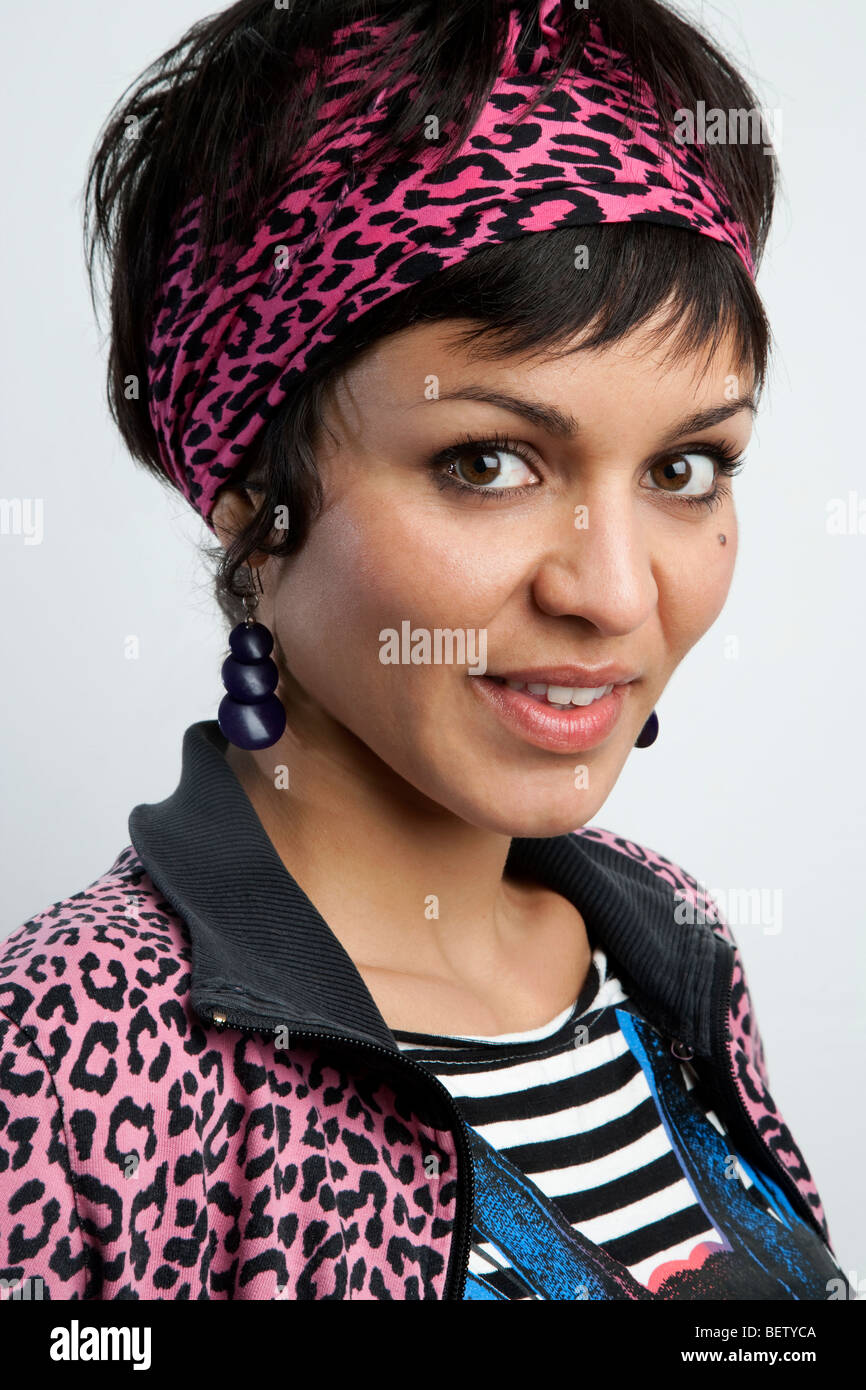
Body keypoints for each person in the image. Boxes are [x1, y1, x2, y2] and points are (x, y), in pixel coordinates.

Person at [0, 0, 852, 1301]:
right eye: (489, 461)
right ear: (251, 500)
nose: (613, 591)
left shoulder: (667, 944)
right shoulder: (77, 1052)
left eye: (685, 467)